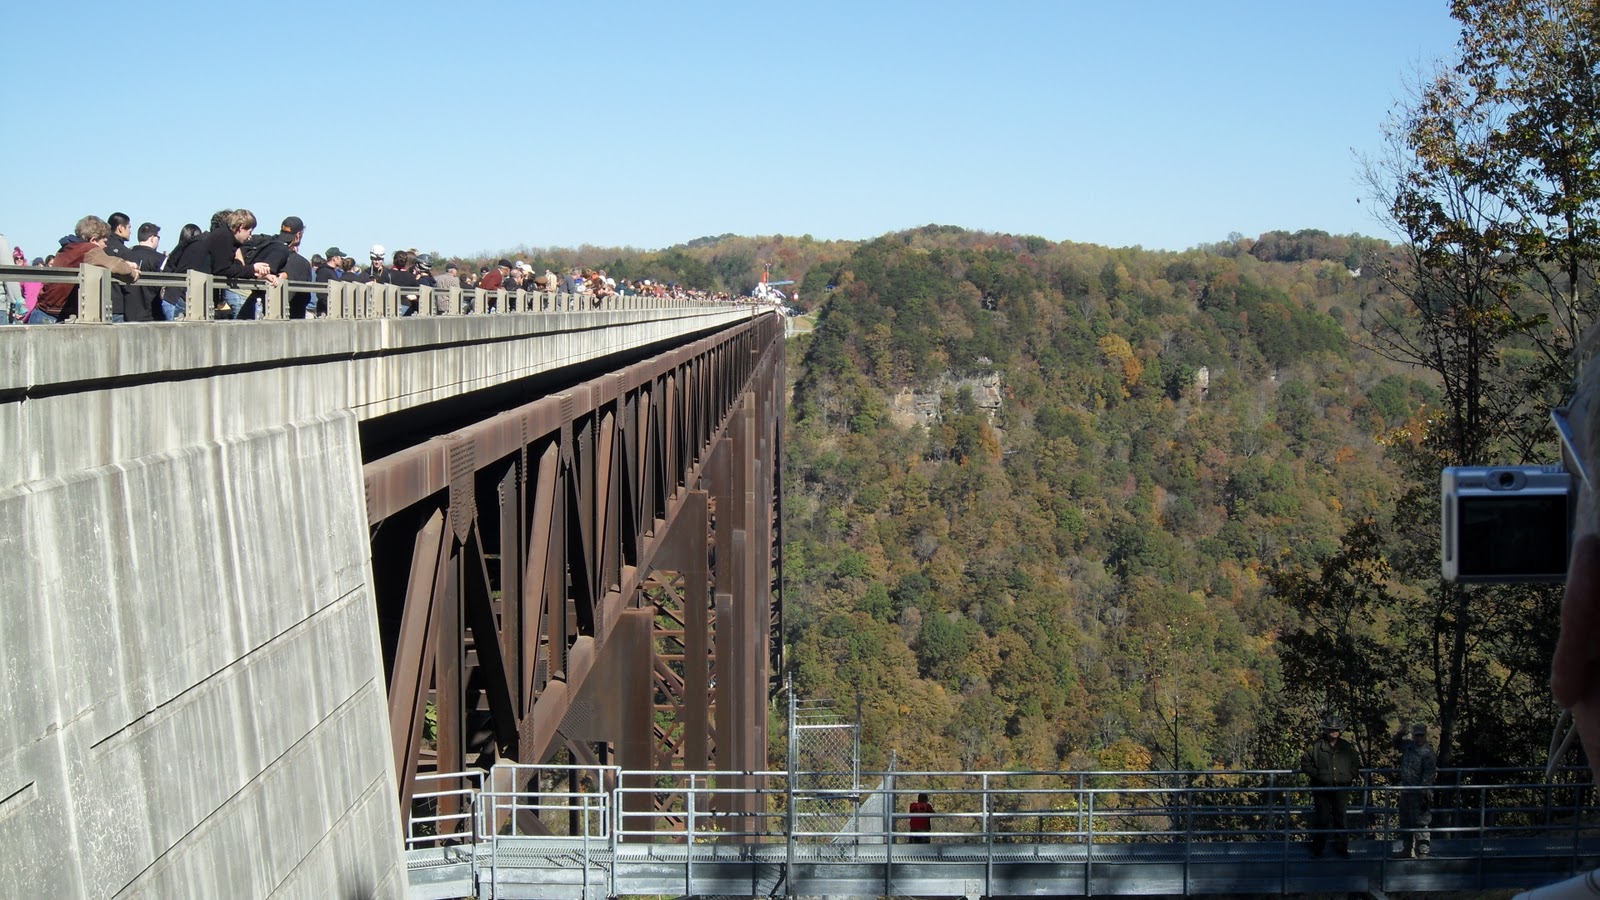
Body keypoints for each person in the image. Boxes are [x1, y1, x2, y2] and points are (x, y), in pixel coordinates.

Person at [28, 215, 142, 323]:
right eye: (104, 241)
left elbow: (101, 261)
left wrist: (126, 263)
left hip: (41, 313)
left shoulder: (68, 247)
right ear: (93, 240)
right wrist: (133, 274)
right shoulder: (89, 249)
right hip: (54, 318)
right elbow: (115, 265)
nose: (106, 246)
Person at [1299, 715, 1361, 858]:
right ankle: (1318, 848)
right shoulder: (1317, 747)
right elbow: (1305, 763)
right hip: (1322, 789)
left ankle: (1341, 847)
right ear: (1326, 731)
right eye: (1331, 729)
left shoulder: (1346, 747)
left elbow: (1356, 763)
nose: (1334, 732)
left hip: (1341, 788)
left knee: (1340, 818)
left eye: (1336, 729)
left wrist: (1350, 775)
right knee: (1322, 819)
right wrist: (1318, 775)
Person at [1392, 722, 1436, 858]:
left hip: (1420, 793)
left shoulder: (1428, 753)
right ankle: (1407, 849)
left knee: (1421, 822)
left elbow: (1429, 773)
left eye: (1421, 736)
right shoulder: (1409, 746)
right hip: (1406, 791)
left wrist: (1423, 789)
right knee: (1405, 821)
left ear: (1425, 736)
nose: (1418, 738)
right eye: (1416, 735)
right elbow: (1395, 744)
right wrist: (1400, 733)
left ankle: (1423, 850)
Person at [124, 223, 165, 322]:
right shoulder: (160, 259)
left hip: (129, 313)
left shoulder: (126, 255)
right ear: (152, 238)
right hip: (153, 312)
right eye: (158, 237)